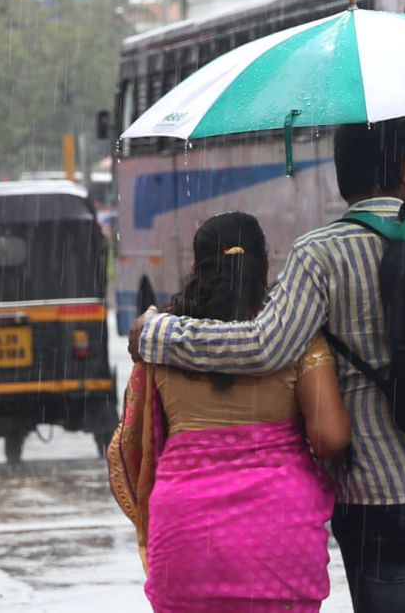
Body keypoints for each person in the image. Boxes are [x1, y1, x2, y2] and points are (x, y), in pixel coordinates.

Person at [130, 118, 405, 613]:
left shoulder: (320, 253)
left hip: (382, 499)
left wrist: (159, 332)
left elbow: (265, 347)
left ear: (340, 176)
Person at [109, 212, 349, 613]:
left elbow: (138, 440)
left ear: (195, 269)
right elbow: (330, 437)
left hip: (184, 534)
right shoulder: (298, 341)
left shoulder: (160, 342)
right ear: (265, 267)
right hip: (279, 533)